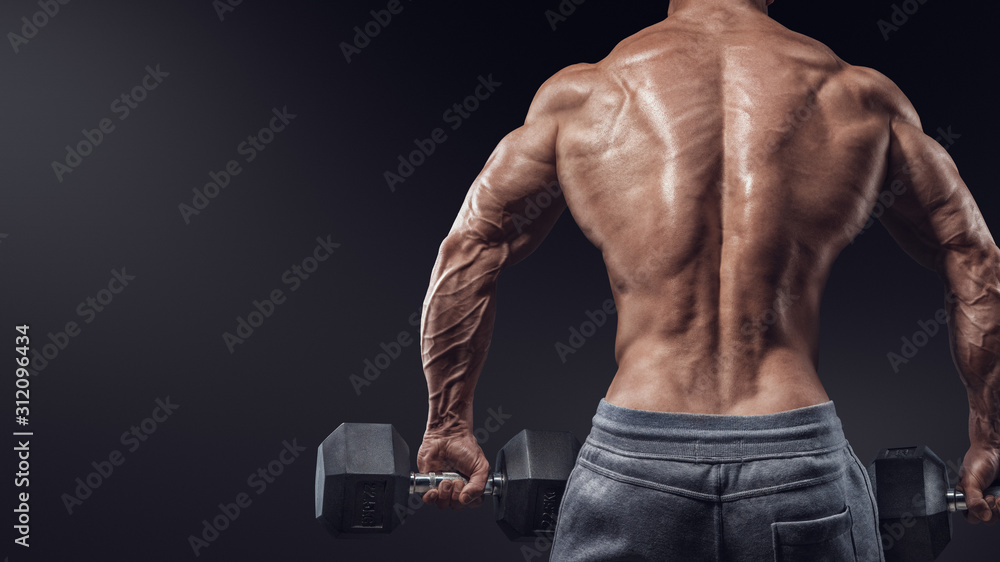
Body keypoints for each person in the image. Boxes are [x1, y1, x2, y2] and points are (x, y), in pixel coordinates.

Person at [414, 0, 1000, 559]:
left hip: (633, 460)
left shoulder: (583, 95)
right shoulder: (858, 95)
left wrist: (448, 422)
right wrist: (988, 434)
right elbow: (973, 254)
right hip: (794, 460)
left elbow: (472, 245)